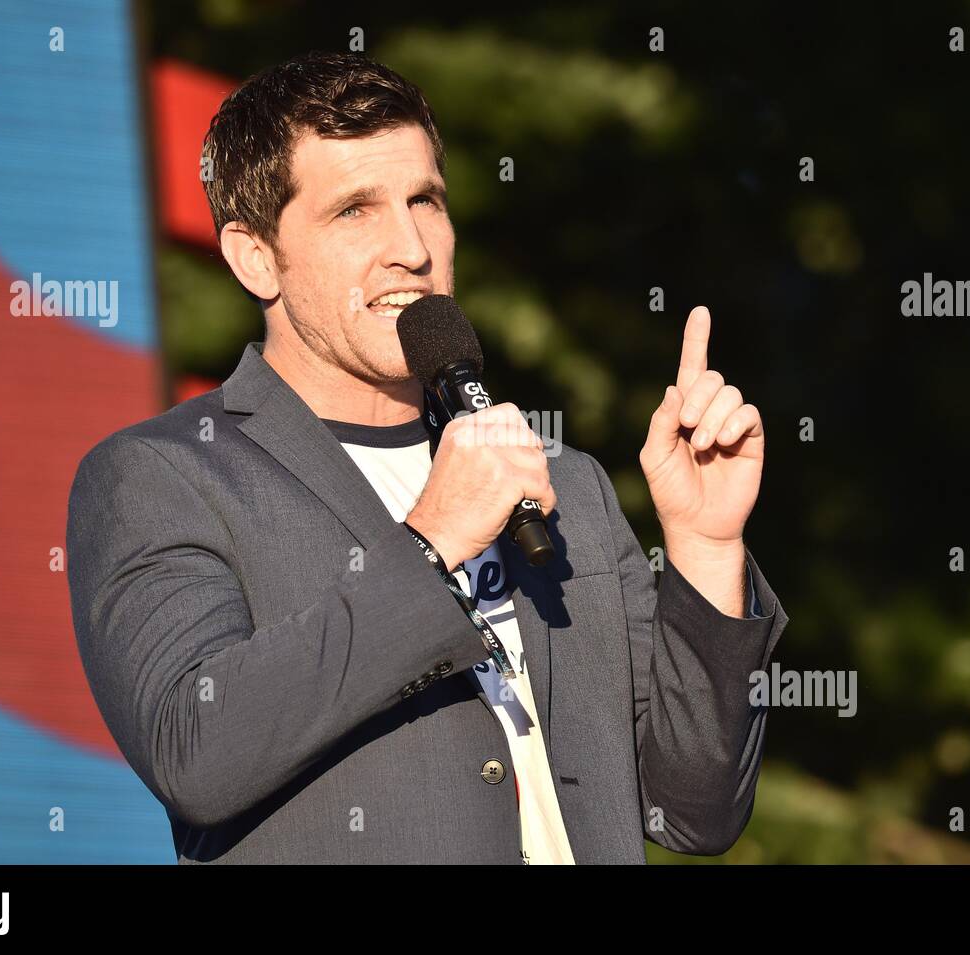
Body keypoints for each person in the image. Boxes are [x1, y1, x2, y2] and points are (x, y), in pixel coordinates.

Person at [66, 50, 787, 864]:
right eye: (354, 211)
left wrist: (704, 545)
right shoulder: (165, 476)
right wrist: (431, 542)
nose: (409, 245)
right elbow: (194, 750)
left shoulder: (563, 482)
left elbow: (696, 810)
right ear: (254, 256)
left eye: (425, 200)